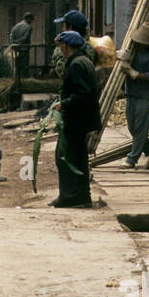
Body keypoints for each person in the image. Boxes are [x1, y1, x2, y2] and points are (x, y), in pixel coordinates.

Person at [50, 31, 101, 208]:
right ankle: (81, 196)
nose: (60, 51)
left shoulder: (76, 65)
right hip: (83, 119)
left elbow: (83, 93)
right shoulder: (84, 61)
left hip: (77, 120)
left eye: (61, 46)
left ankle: (70, 196)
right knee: (78, 158)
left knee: (65, 156)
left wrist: (64, 104)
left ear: (67, 46)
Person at [120, 22, 149, 169]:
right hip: (131, 92)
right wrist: (118, 56)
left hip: (145, 95)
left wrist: (136, 74)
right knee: (133, 127)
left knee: (140, 128)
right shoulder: (132, 50)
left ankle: (132, 159)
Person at [50, 9, 98, 78]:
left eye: (63, 26)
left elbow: (63, 71)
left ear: (70, 28)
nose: (62, 29)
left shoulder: (82, 48)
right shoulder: (87, 45)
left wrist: (59, 48)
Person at [9, 13, 34, 79]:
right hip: (24, 49)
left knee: (17, 65)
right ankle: (24, 80)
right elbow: (25, 37)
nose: (31, 21)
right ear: (28, 19)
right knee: (24, 66)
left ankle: (17, 79)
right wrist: (18, 42)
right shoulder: (29, 27)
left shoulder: (16, 26)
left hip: (15, 49)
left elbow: (11, 36)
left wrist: (13, 43)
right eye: (31, 19)